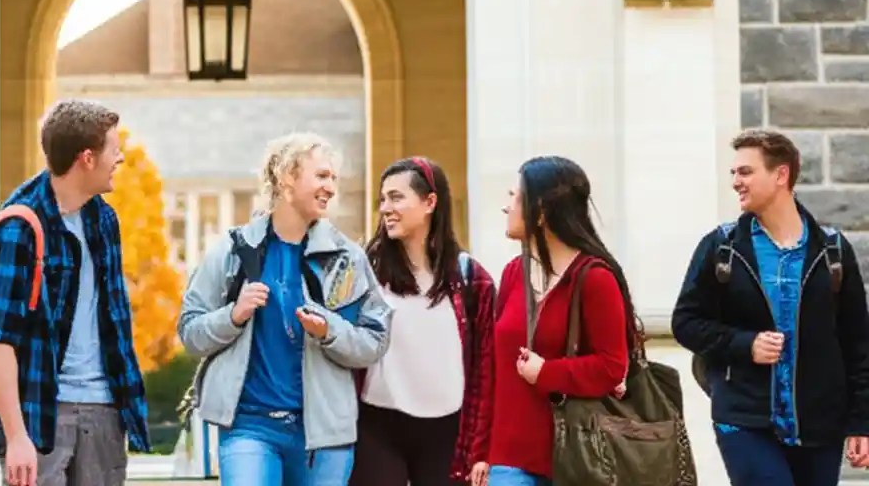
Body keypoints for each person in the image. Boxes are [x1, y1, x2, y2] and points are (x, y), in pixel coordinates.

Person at [177, 132, 393, 486]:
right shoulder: (234, 250)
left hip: (323, 437)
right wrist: (233, 315)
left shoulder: (346, 258)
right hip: (249, 427)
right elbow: (190, 331)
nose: (330, 187)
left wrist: (329, 331)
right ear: (286, 177)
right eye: (321, 176)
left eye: (334, 178)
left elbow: (375, 340)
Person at [671, 129, 869, 485]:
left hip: (819, 424)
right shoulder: (722, 248)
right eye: (733, 173)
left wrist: (861, 421)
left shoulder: (833, 253)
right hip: (744, 418)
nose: (735, 182)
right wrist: (744, 344)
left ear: (781, 175)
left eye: (745, 172)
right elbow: (685, 322)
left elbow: (858, 344)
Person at [0, 99, 150, 486]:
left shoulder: (104, 219)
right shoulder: (18, 225)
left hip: (104, 412)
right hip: (41, 418)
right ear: (87, 158)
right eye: (113, 149)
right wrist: (17, 436)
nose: (119, 158)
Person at [487, 156, 635, 486]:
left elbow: (612, 367)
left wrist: (546, 373)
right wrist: (480, 451)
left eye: (514, 197)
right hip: (509, 459)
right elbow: (493, 368)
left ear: (540, 213)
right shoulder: (514, 272)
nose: (506, 207)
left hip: (579, 458)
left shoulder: (595, 278)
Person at [349, 157, 497, 486]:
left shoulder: (472, 278)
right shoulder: (364, 270)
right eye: (382, 199)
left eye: (396, 197)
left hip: (449, 431)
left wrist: (481, 447)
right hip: (376, 424)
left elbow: (486, 370)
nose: (386, 207)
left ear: (430, 202)